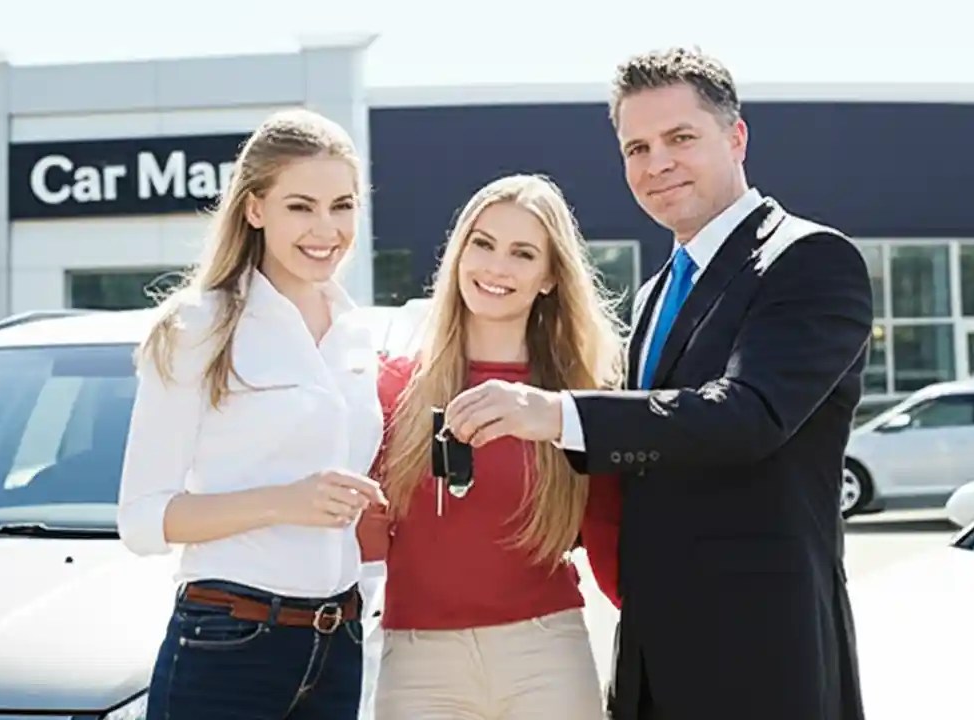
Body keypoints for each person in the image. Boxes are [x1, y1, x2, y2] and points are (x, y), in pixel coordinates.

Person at [441, 48, 873, 720]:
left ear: (736, 137)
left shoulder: (809, 261)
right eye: (636, 147)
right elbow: (637, 461)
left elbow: (747, 416)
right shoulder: (651, 297)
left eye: (680, 138)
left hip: (762, 658)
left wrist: (554, 413)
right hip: (651, 656)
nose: (656, 164)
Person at [116, 108, 389, 719]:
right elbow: (140, 520)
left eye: (342, 205)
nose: (327, 228)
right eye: (301, 206)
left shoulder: (357, 332)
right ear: (255, 208)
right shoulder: (198, 327)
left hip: (339, 642)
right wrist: (283, 502)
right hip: (228, 642)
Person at [357, 174, 626, 719]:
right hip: (417, 662)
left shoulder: (578, 401)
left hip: (546, 653)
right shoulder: (391, 387)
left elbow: (615, 542)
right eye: (482, 244)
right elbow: (361, 545)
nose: (496, 267)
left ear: (550, 277)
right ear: (458, 253)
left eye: (523, 253)